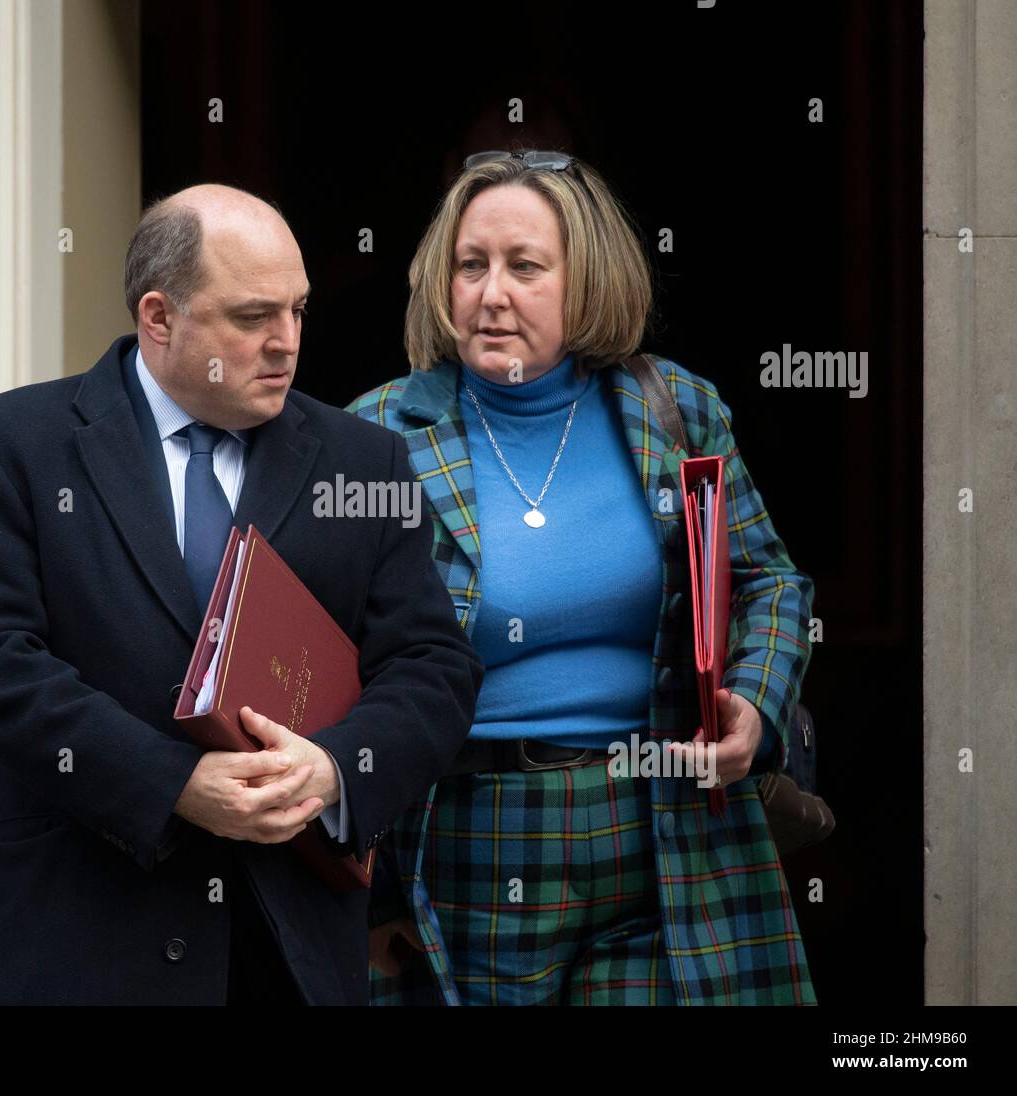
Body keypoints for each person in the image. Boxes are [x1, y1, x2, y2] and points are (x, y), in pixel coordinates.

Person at [0, 184, 482, 1005]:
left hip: (285, 940)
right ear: (159, 316)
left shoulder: (364, 464)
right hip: (77, 929)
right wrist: (174, 784)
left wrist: (332, 769)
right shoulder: (8, 448)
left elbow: (433, 667)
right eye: (253, 316)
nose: (286, 343)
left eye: (297, 310)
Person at [347, 150, 817, 1005]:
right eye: (470, 265)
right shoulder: (375, 437)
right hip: (467, 839)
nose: (491, 294)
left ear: (587, 282)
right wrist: (359, 878)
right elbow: (328, 661)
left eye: (525, 267)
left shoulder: (675, 408)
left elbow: (769, 582)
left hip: (667, 828)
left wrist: (753, 702)